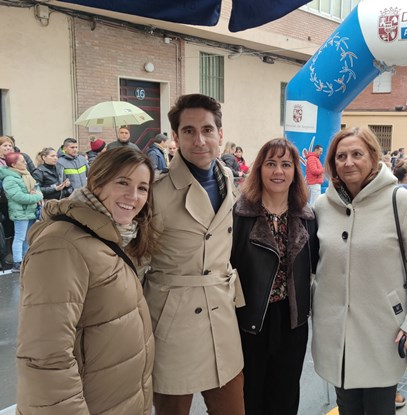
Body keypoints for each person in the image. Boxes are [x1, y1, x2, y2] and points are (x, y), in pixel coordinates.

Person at [15, 147, 157, 414]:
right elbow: (46, 357)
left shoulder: (114, 236)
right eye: (122, 183)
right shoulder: (61, 245)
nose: (134, 196)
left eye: (142, 188)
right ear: (97, 182)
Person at [312, 126, 407, 415]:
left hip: (383, 331)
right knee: (347, 408)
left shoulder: (400, 202)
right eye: (341, 156)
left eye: (357, 154)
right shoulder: (322, 206)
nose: (348, 162)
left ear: (372, 156)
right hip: (336, 334)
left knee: (380, 408)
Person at [144, 94, 244, 415]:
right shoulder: (154, 191)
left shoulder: (227, 178)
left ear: (220, 134)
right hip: (173, 322)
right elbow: (133, 261)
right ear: (176, 137)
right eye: (189, 131)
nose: (199, 140)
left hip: (221, 315)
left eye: (207, 130)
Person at [231, 138, 318, 415]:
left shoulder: (307, 217)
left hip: (292, 321)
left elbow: (316, 265)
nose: (278, 171)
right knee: (250, 394)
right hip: (250, 320)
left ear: (295, 172)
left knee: (286, 394)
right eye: (270, 163)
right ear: (259, 169)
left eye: (286, 164)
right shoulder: (239, 215)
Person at [0, 152, 43, 273]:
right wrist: (37, 197)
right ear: (13, 164)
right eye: (22, 161)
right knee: (20, 237)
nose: (25, 162)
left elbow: (37, 188)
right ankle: (17, 262)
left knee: (28, 237)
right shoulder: (9, 179)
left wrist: (36, 194)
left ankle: (26, 259)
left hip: (31, 210)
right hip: (20, 212)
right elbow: (19, 197)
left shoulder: (26, 174)